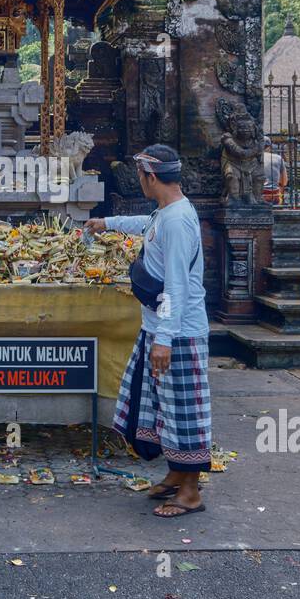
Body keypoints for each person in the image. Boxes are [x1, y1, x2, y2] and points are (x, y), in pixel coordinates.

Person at [85, 144, 210, 518]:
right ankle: (175, 473)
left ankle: (190, 492)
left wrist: (164, 340)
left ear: (150, 176)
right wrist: (105, 223)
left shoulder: (176, 220)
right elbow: (146, 225)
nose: (139, 181)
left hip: (178, 333)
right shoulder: (166, 213)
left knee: (182, 410)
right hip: (159, 328)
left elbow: (176, 287)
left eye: (140, 175)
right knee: (162, 409)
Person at [263, 137, 287, 205]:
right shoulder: (278, 158)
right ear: (270, 147)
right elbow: (284, 182)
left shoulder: (252, 159)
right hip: (274, 196)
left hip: (257, 196)